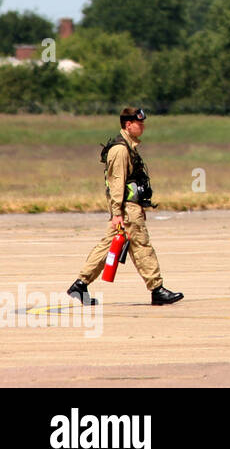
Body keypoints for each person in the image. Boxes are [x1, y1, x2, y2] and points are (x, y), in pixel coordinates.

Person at [67, 107, 183, 306]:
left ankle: (80, 284)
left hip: (128, 208)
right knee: (142, 247)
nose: (143, 126)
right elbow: (117, 183)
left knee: (107, 247)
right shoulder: (120, 150)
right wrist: (117, 212)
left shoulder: (128, 147)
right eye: (139, 123)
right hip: (126, 209)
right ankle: (157, 289)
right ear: (128, 125)